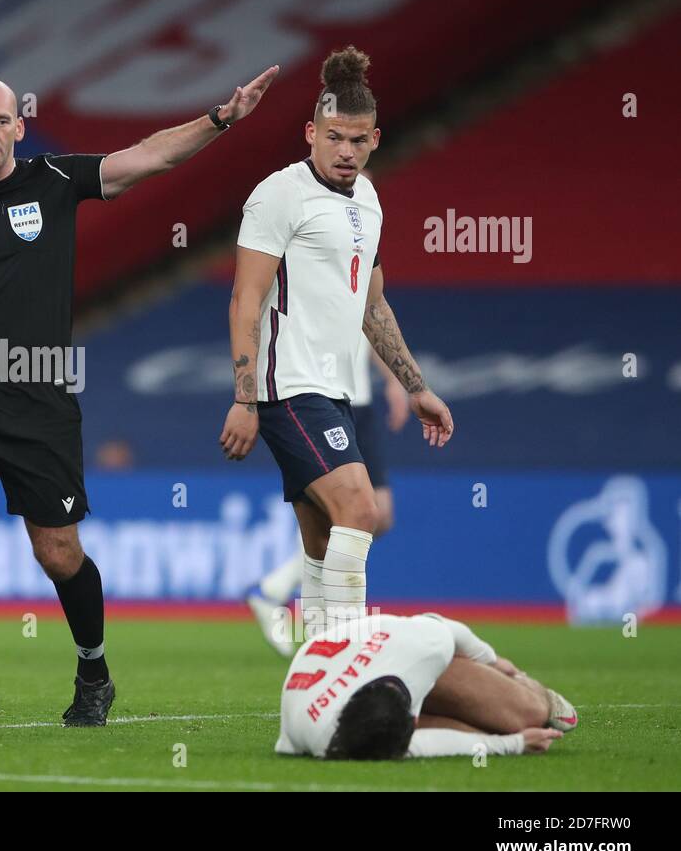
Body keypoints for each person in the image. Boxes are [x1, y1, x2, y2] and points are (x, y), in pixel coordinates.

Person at [0, 67, 279, 730]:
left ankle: (94, 671)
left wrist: (220, 118)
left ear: (19, 128)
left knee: (56, 550)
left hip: (40, 396)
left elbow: (150, 156)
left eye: (3, 119)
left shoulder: (53, 181)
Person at [221, 46, 453, 642]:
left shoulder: (369, 201)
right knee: (362, 510)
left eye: (357, 140)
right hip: (287, 387)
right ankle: (352, 662)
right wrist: (245, 399)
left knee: (323, 540)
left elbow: (372, 305)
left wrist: (417, 386)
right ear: (311, 133)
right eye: (333, 137)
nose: (345, 150)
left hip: (337, 387)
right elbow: (245, 300)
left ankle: (321, 662)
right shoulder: (278, 195)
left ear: (374, 138)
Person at [247, 339, 409, 656]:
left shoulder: (358, 288)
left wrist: (394, 379)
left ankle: (275, 592)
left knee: (374, 514)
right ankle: (338, 648)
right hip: (315, 391)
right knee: (341, 512)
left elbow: (369, 312)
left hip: (355, 399)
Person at [276, 611, 577, 759]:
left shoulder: (424, 649)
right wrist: (512, 744)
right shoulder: (322, 735)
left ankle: (536, 693)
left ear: (413, 716)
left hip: (402, 648)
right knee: (491, 734)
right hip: (354, 669)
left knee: (528, 715)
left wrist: (495, 663)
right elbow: (422, 746)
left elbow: (450, 631)